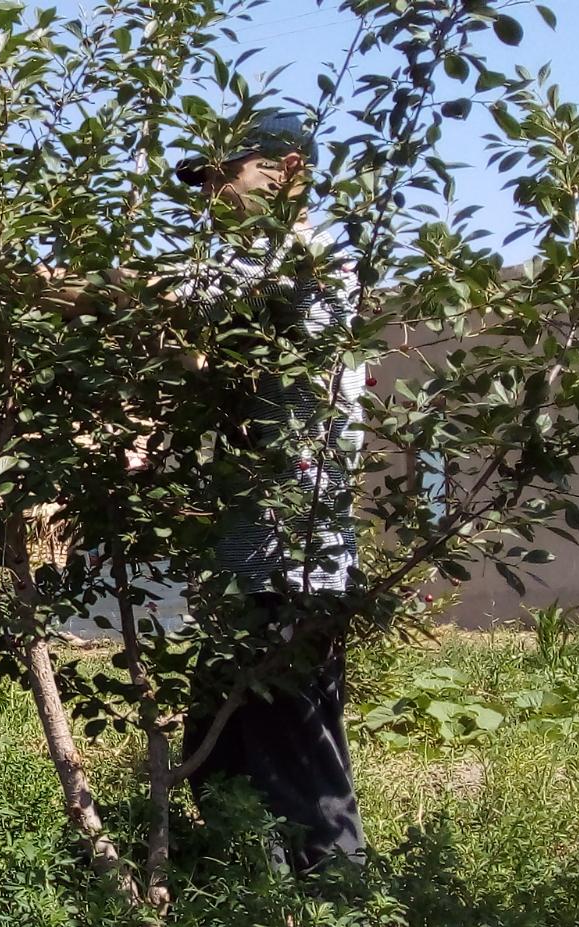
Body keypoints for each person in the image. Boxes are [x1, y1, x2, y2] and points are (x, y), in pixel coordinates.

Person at [163, 109, 369, 873]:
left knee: (301, 766)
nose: (212, 193)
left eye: (226, 174)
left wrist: (64, 286)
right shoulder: (262, 264)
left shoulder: (305, 258)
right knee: (215, 753)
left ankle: (336, 916)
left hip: (293, 561)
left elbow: (177, 300)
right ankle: (246, 901)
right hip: (252, 562)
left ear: (287, 170)